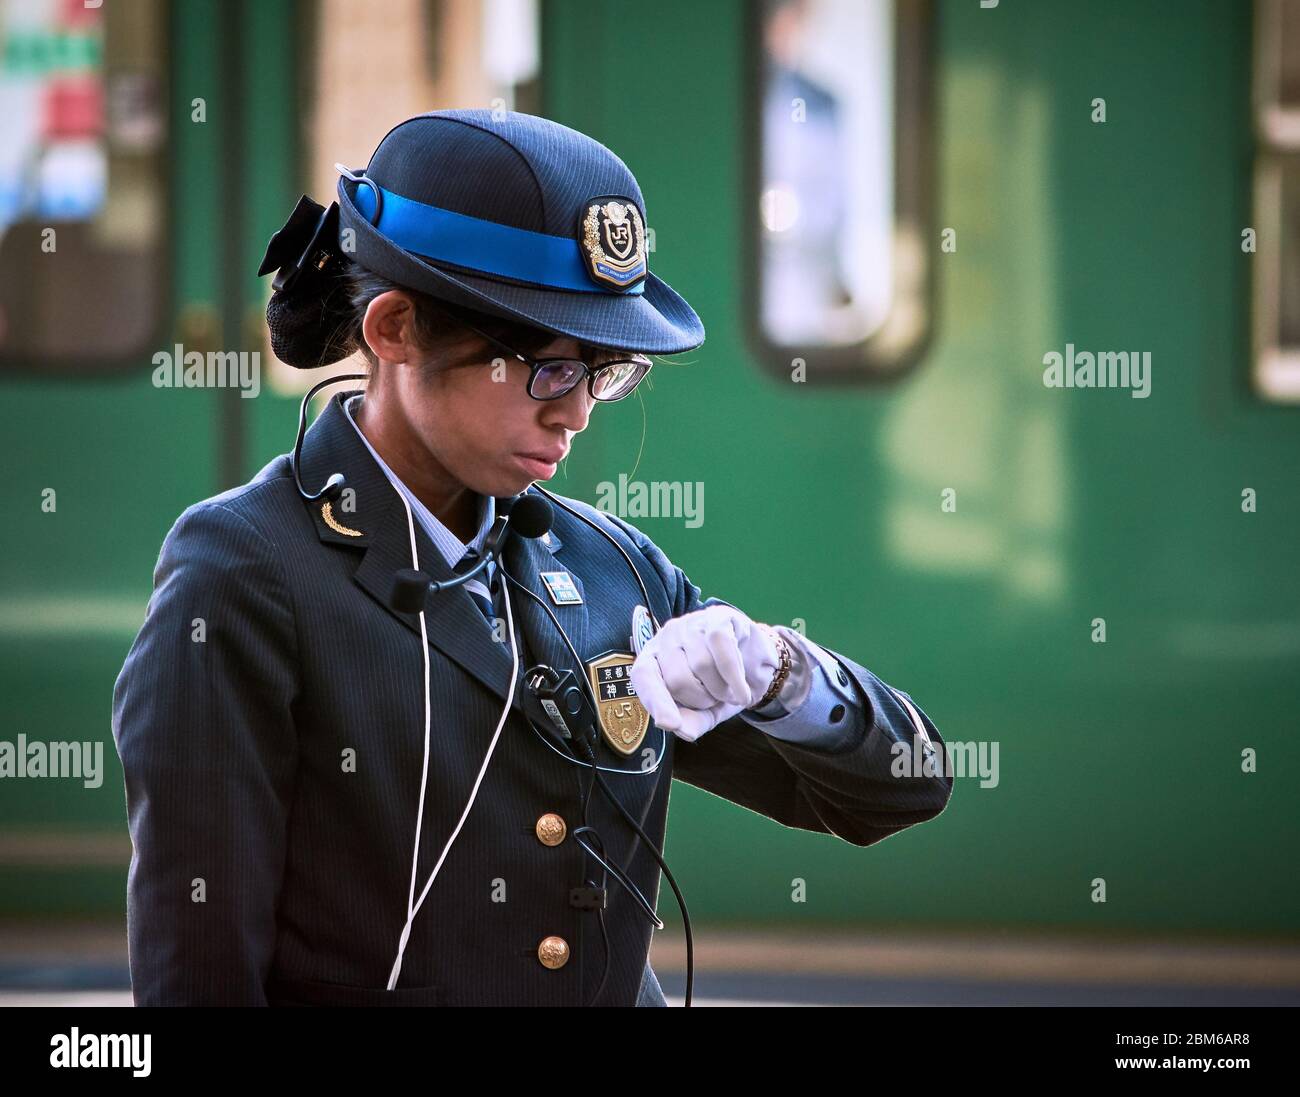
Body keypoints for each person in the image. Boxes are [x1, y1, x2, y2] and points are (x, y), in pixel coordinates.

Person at [111, 109, 951, 1007]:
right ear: (394, 329)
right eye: (548, 367)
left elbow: (905, 788)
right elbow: (199, 973)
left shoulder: (609, 570)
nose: (580, 411)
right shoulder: (246, 571)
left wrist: (782, 674)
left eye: (607, 369)